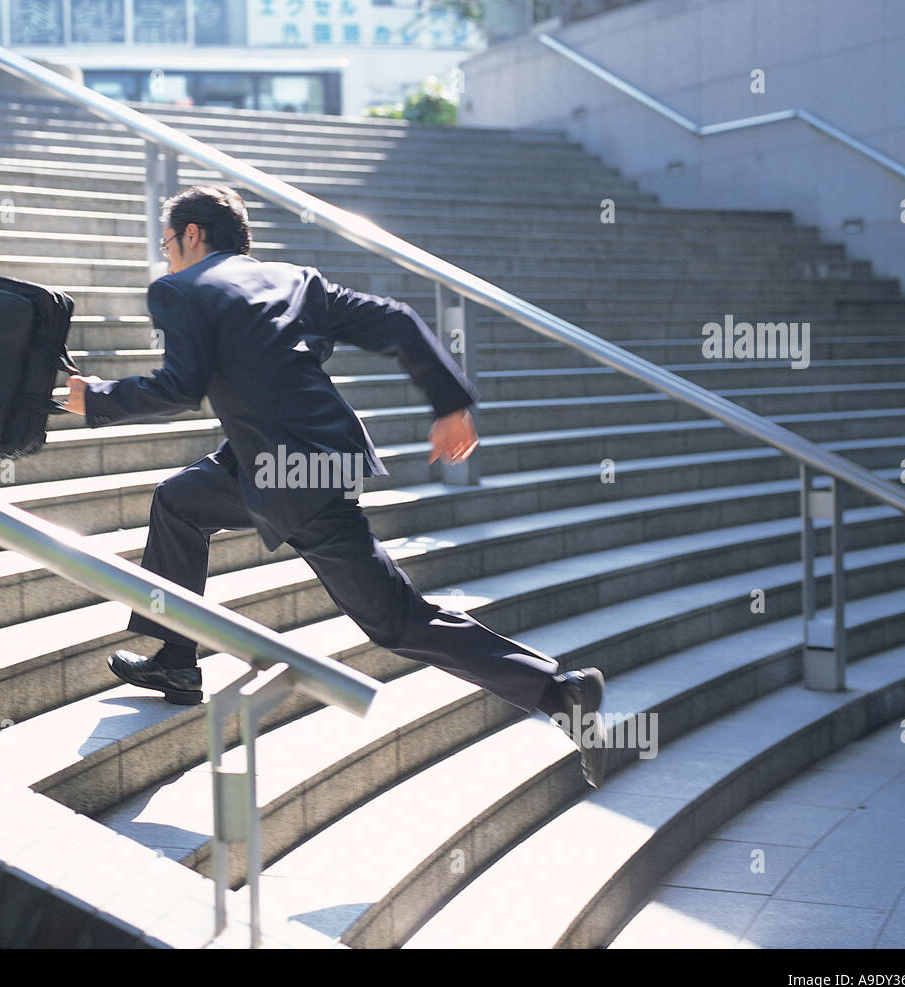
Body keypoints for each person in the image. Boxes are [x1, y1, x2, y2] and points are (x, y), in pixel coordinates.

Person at [63, 185, 608, 787]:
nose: (165, 258)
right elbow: (397, 319)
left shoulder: (181, 290)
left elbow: (181, 386)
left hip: (291, 473)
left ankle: (559, 691)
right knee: (178, 501)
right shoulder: (295, 280)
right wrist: (449, 404)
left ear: (193, 235)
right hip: (304, 458)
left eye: (167, 244)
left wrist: (100, 397)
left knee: (396, 621)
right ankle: (174, 660)